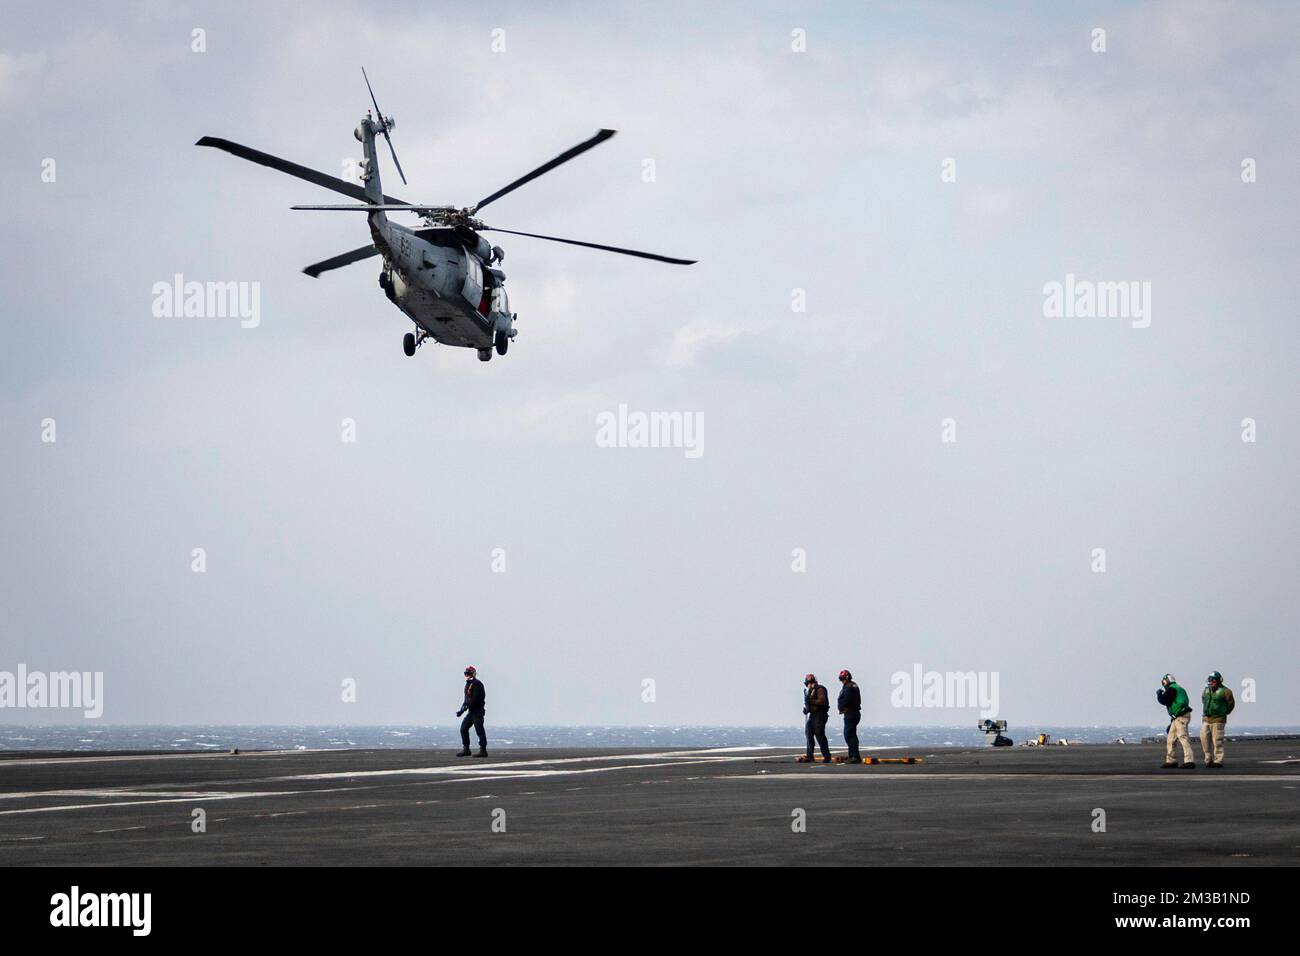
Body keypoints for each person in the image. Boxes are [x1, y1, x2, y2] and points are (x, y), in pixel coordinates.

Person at [1156, 673, 1195, 769]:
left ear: (1167, 681)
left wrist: (1159, 694)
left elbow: (1164, 700)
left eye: (1164, 682)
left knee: (1182, 737)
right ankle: (1171, 760)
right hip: (1177, 717)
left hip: (1180, 716)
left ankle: (1189, 760)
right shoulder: (1178, 688)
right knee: (1171, 738)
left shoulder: (1172, 689)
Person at [1199, 671, 1235, 768]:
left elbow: (1231, 704)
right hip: (1206, 718)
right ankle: (1208, 759)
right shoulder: (1206, 690)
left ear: (1219, 681)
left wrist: (1223, 712)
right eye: (1210, 680)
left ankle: (1218, 760)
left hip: (1218, 719)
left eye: (1214, 680)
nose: (1211, 682)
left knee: (1217, 740)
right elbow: (1203, 700)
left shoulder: (1226, 691)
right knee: (1204, 739)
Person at [455, 665, 487, 758]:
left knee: (479, 730)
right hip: (471, 712)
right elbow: (466, 700)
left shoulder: (477, 684)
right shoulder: (468, 684)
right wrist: (461, 710)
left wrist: (466, 707)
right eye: (466, 674)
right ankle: (466, 749)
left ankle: (483, 750)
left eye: (468, 673)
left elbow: (476, 700)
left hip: (478, 712)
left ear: (473, 673)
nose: (467, 675)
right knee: (463, 729)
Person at [801, 673, 832, 763]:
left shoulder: (820, 689)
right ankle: (810, 756)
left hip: (820, 715)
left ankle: (827, 756)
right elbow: (810, 705)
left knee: (819, 735)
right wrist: (806, 709)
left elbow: (822, 701)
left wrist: (810, 700)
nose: (808, 686)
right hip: (813, 715)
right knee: (809, 733)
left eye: (808, 683)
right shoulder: (810, 692)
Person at [837, 669, 862, 764]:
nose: (842, 681)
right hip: (853, 713)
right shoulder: (853, 686)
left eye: (842, 679)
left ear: (847, 678)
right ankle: (853, 755)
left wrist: (841, 704)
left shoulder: (849, 687)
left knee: (849, 735)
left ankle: (854, 756)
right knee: (851, 734)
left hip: (851, 713)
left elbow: (847, 700)